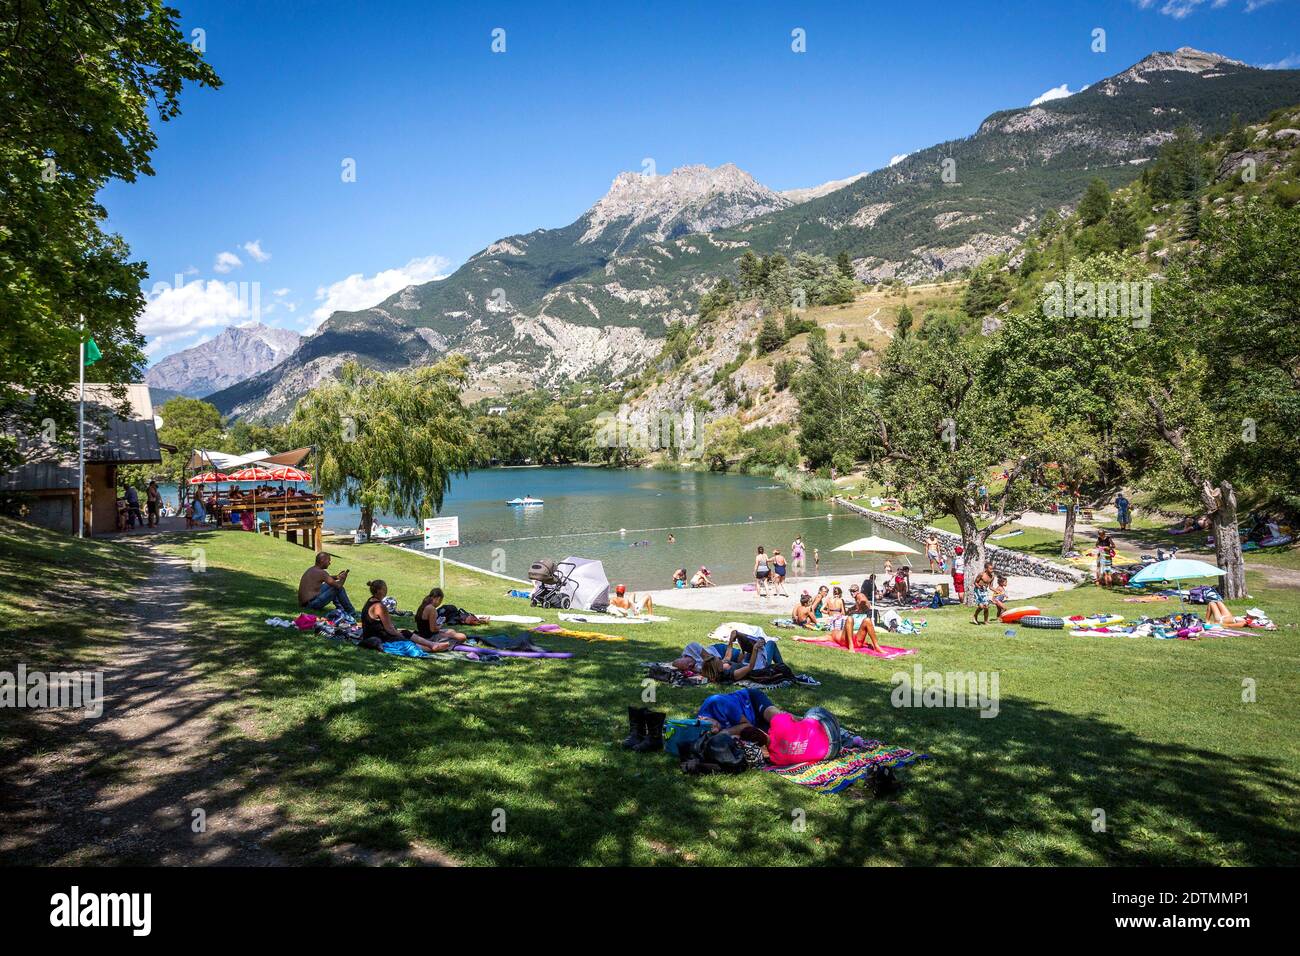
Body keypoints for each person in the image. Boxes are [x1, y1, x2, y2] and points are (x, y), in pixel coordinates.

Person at [364, 580, 451, 653]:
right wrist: (399, 634)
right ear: (380, 590)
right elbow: (389, 629)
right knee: (406, 637)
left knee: (406, 632)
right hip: (379, 637)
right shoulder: (379, 607)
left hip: (369, 634)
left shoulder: (370, 601)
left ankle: (432, 644)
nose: (387, 590)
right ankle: (433, 647)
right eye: (385, 588)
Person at [697, 687, 779, 742]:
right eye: (712, 733)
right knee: (773, 739)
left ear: (702, 718)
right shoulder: (700, 730)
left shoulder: (718, 703)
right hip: (754, 723)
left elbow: (747, 725)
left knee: (776, 718)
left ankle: (786, 719)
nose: (715, 730)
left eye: (711, 727)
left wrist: (726, 732)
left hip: (750, 700)